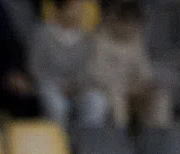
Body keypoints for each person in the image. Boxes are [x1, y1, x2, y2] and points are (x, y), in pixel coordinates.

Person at [88, 2, 168, 130]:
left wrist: (142, 86)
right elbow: (96, 75)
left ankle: (157, 140)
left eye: (134, 24)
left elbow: (145, 73)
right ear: (116, 21)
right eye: (127, 23)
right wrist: (126, 86)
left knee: (160, 98)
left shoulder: (137, 41)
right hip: (108, 90)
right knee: (117, 95)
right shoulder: (98, 40)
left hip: (133, 91)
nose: (130, 28)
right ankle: (121, 138)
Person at [30, 0, 107, 126]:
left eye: (81, 10)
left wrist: (77, 85)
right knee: (57, 106)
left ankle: (86, 141)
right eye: (74, 9)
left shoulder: (87, 38)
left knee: (97, 101)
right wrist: (60, 86)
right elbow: (36, 68)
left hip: (77, 88)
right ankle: (57, 142)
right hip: (51, 86)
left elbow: (88, 69)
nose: (79, 14)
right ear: (60, 10)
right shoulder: (43, 34)